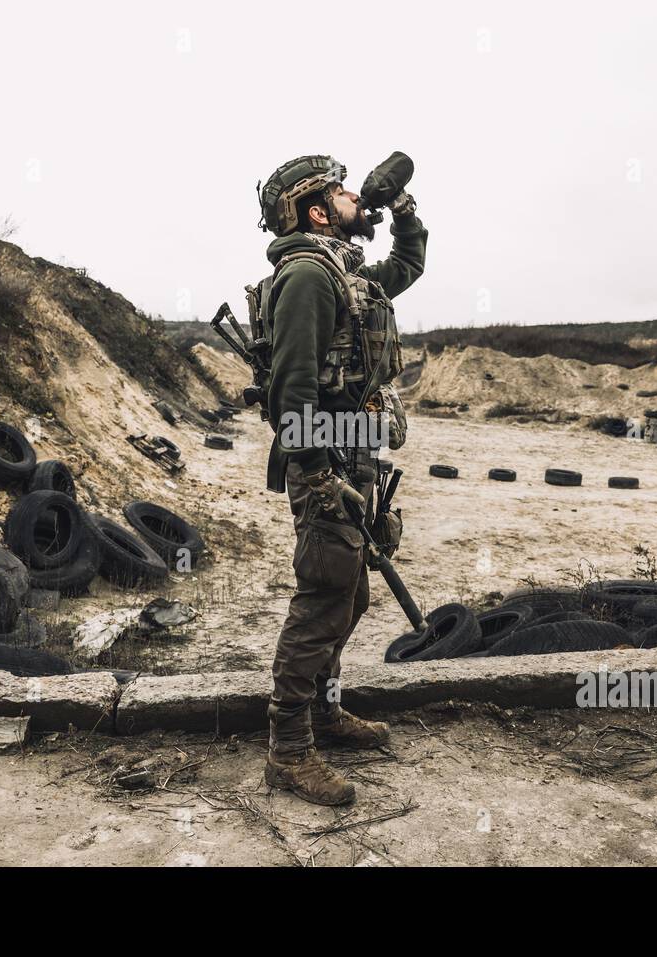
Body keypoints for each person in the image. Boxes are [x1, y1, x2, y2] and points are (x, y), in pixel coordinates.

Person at [254, 154, 426, 805]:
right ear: (317, 211)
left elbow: (407, 267)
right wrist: (317, 472)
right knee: (324, 595)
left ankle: (324, 713)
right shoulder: (305, 275)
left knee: (350, 598)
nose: (360, 196)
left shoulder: (342, 273)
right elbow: (290, 387)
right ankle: (290, 750)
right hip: (324, 459)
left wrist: (402, 210)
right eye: (344, 191)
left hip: (355, 456)